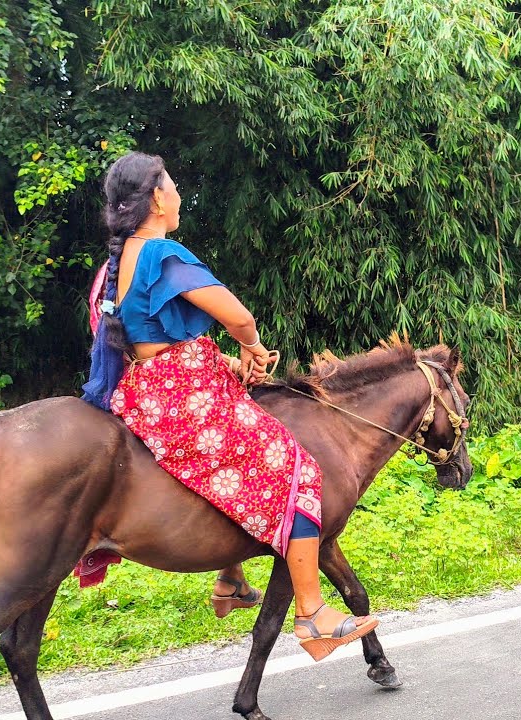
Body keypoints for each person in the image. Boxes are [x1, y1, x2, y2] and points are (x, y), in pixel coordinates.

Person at [82, 152, 378, 661]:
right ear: (156, 198)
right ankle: (312, 614)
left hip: (151, 391)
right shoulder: (162, 254)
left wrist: (226, 364)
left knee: (240, 464)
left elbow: (150, 340)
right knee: (299, 469)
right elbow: (237, 315)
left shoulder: (114, 266)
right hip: (184, 395)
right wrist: (250, 345)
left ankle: (231, 579)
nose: (177, 195)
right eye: (172, 185)